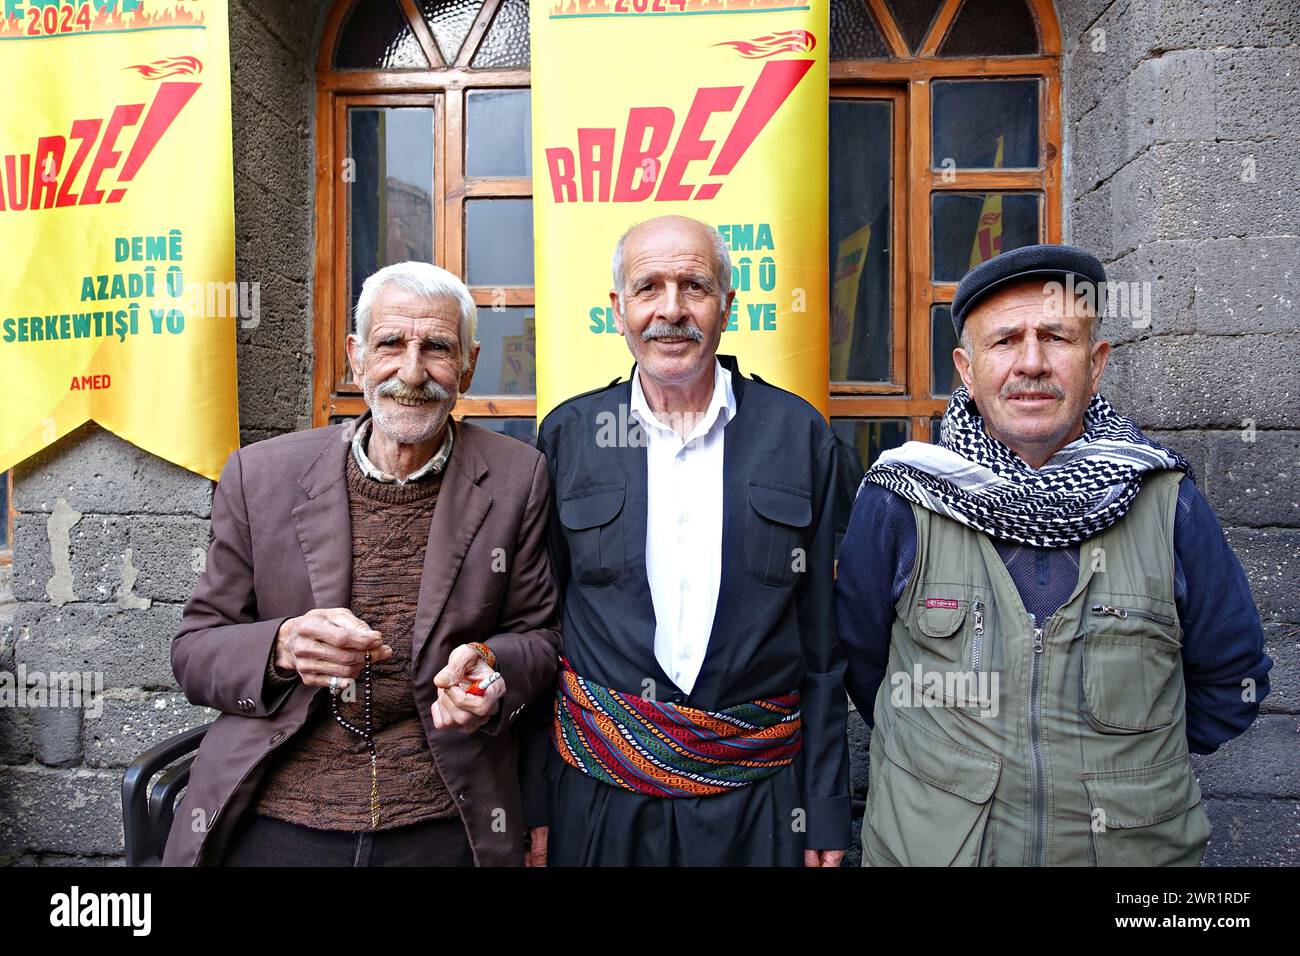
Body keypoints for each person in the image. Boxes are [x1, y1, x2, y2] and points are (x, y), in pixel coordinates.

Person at [836, 244, 1272, 866]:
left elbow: (1234, 680)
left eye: (1057, 338)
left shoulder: (1167, 504)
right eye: (1006, 341)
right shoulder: (902, 501)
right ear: (966, 367)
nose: (1032, 363)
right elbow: (864, 666)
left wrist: (1131, 768)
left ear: (1096, 364)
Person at [163, 262, 561, 866]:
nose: (411, 371)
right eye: (390, 344)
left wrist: (491, 667)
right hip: (277, 809)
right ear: (356, 357)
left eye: (437, 349)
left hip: (441, 814)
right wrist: (282, 647)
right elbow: (194, 652)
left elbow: (541, 637)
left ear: (469, 364)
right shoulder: (260, 475)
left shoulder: (516, 477)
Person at [528, 215, 850, 866]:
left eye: (694, 287)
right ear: (619, 310)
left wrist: (824, 811)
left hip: (759, 802)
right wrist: (536, 805)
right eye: (648, 288)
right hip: (600, 802)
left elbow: (825, 646)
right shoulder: (569, 436)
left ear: (727, 305)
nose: (670, 310)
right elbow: (541, 629)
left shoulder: (799, 436)